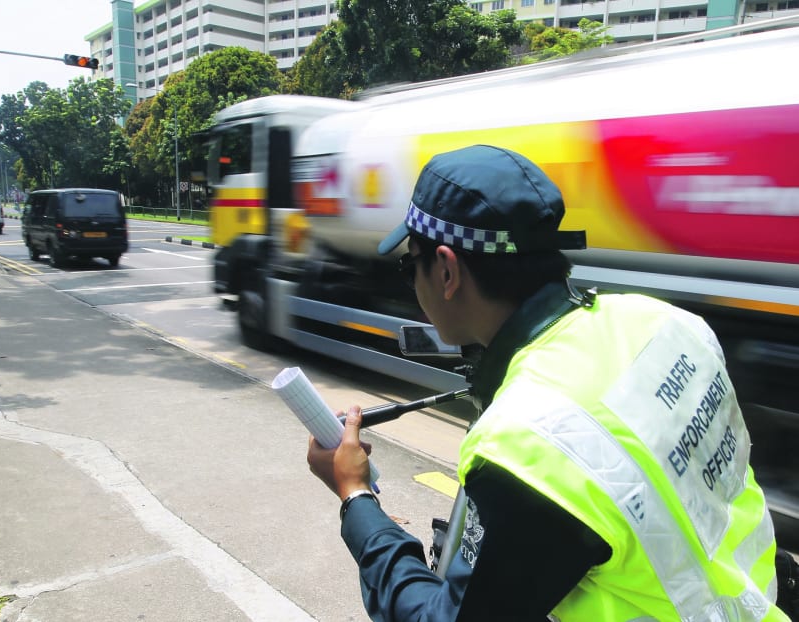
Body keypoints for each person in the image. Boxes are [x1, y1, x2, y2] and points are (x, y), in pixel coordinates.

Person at [306, 144, 791, 621]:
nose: (413, 284)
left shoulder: (527, 447)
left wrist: (357, 497)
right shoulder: (666, 323)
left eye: (410, 266)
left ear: (448, 270)